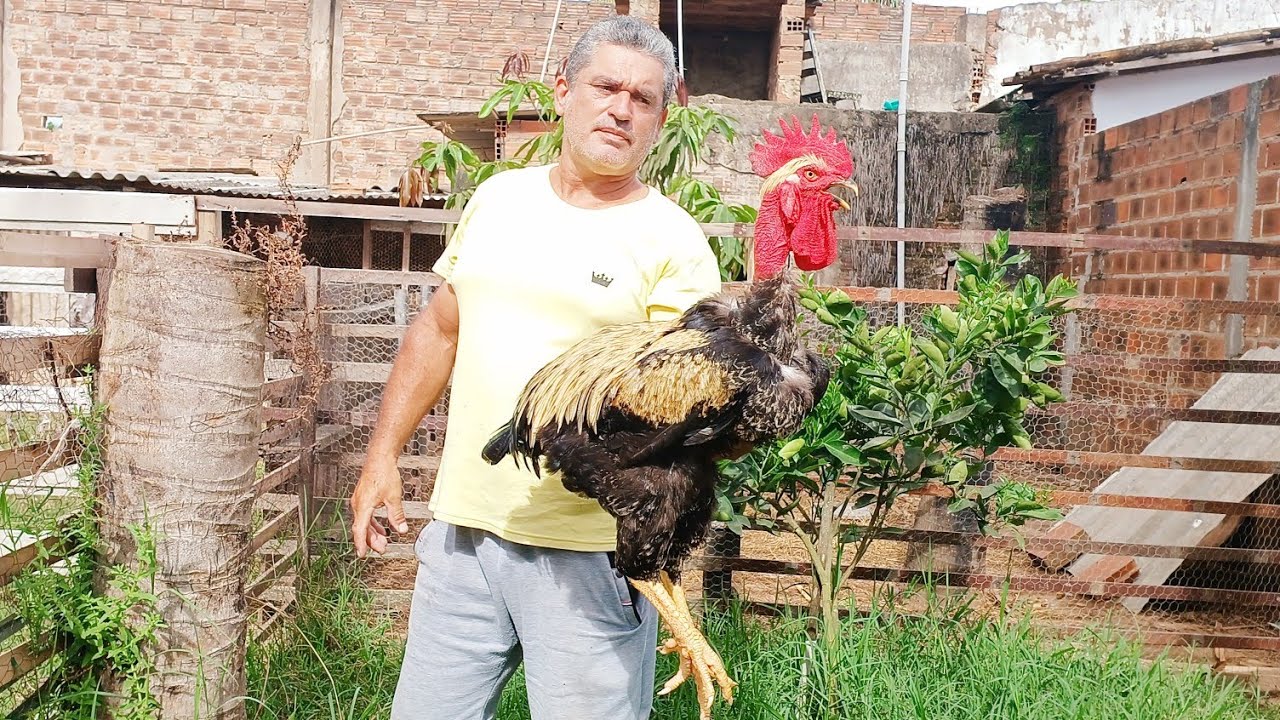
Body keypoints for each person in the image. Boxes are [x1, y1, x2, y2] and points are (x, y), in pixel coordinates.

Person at [348, 15, 723, 720]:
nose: (621, 108)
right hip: (462, 542)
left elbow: (680, 411)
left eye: (643, 99)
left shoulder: (674, 240)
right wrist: (382, 455)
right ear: (563, 91)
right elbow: (439, 328)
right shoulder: (498, 200)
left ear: (661, 118)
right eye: (606, 86)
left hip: (592, 559)